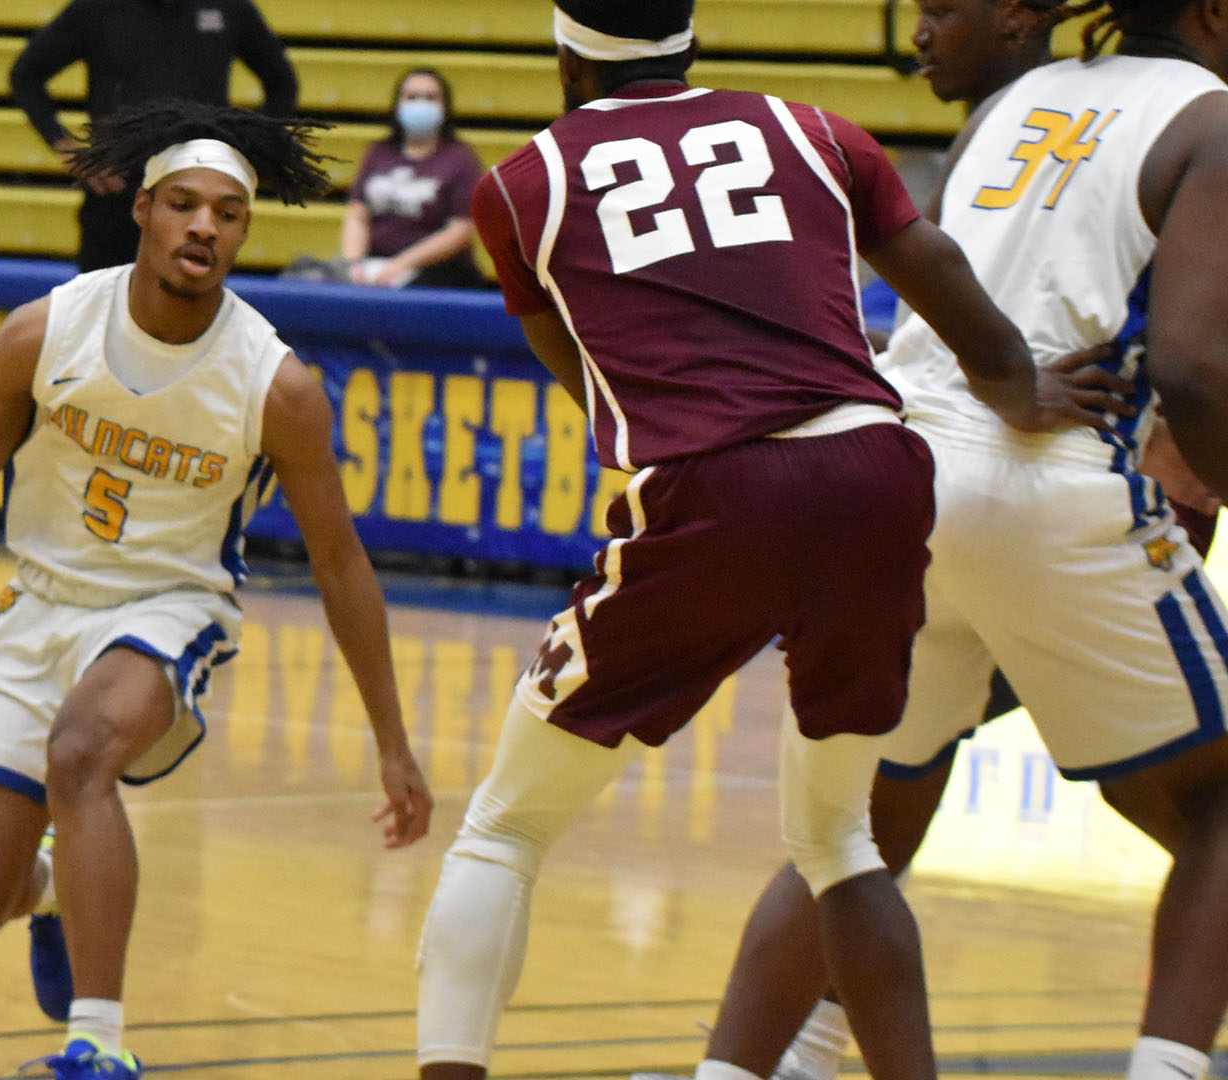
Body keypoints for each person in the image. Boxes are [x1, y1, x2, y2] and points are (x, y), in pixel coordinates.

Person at [411, 2, 1123, 1078]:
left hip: (716, 486)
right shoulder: (813, 127)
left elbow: (587, 381)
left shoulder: (516, 188)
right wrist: (1014, 383)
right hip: (876, 472)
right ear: (690, 45)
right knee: (840, 842)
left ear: (565, 60)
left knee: (505, 830)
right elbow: (932, 262)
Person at [0, 100, 433, 1080]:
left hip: (170, 608)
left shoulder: (276, 387)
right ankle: (54, 890)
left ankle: (97, 1046)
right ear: (142, 209)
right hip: (42, 605)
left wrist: (391, 740)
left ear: (242, 234)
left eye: (227, 214)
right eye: (184, 204)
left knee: (82, 750)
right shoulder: (44, 332)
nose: (204, 227)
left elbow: (340, 564)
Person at [647, 1, 1228, 1078]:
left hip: (898, 476)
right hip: (1045, 486)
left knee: (855, 826)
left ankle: (754, 1070)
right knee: (1220, 807)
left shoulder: (1017, 99)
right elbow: (1194, 367)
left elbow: (927, 277)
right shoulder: (1209, 118)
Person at [9, 0, 299, 271]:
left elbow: (282, 84)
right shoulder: (98, 7)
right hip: (116, 190)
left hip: (197, 189)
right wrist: (69, 150)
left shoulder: (227, 7)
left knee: (192, 300)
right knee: (102, 300)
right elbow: (26, 74)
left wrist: (241, 151)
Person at [338, 68, 486, 289]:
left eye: (430, 98)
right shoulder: (378, 152)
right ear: (398, 103)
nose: (420, 104)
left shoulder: (460, 159)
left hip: (438, 272)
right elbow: (357, 216)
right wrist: (353, 265)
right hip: (376, 263)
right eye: (412, 97)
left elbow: (459, 230)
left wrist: (400, 266)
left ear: (445, 106)